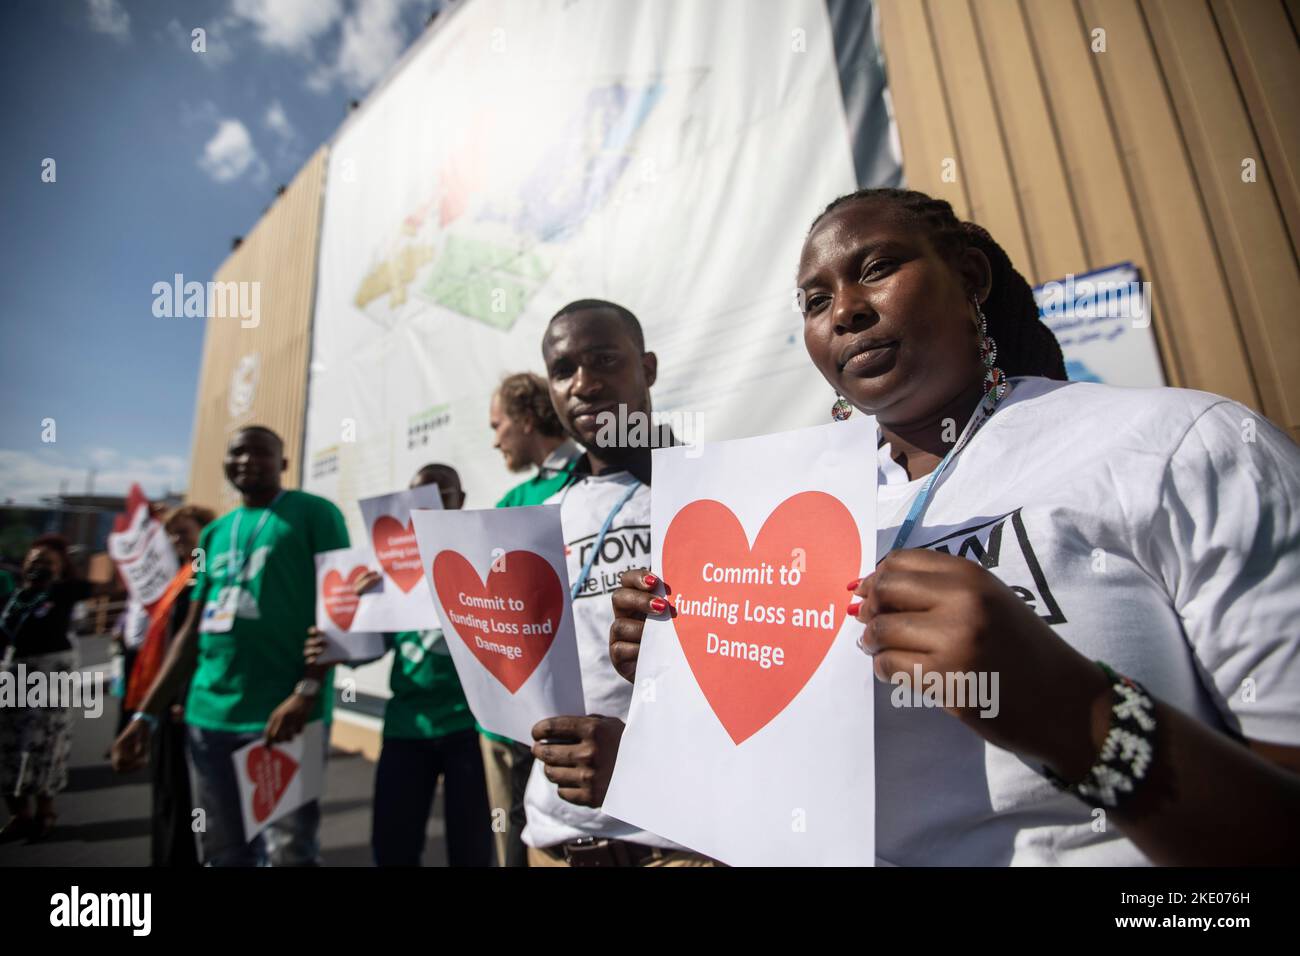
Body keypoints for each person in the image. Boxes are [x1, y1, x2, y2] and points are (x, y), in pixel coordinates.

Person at [608, 186, 1300, 865]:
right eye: (815, 302)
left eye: (876, 269)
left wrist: (1076, 714)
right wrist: (687, 678)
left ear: (969, 276)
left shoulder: (1179, 444)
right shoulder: (809, 518)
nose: (845, 310)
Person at [524, 299, 714, 866]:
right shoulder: (542, 516)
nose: (584, 383)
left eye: (604, 359)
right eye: (563, 371)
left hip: (679, 844)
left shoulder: (718, 491)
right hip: (555, 840)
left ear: (648, 368)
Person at [112, 425, 349, 866]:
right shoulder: (212, 535)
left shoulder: (316, 514)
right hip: (208, 719)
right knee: (221, 850)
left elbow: (337, 613)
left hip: (285, 718)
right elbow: (190, 633)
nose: (246, 460)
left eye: (260, 452)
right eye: (237, 452)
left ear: (282, 463)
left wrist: (307, 692)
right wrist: (146, 712)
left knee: (286, 853)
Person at [304, 463, 493, 867]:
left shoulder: (487, 556)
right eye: (420, 499)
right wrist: (350, 622)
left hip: (471, 727)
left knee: (474, 848)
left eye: (444, 495)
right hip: (408, 725)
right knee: (393, 845)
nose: (433, 505)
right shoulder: (389, 572)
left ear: (461, 502)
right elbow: (369, 649)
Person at [484, 371, 582, 866]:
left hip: (575, 719)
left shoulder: (593, 475)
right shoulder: (508, 501)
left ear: (525, 418)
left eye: (498, 423)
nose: (495, 437)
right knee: (513, 847)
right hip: (509, 723)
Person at [0, 534, 105, 842]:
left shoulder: (63, 591)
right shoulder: (15, 598)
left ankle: (45, 812)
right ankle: (20, 815)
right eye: (34, 561)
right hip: (15, 670)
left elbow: (109, 587)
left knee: (43, 743)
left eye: (48, 562)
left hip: (51, 671)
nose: (39, 566)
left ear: (61, 568)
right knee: (7, 741)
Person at [129, 503, 216, 867]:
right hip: (165, 697)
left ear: (206, 533)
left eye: (185, 531)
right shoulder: (183, 575)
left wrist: (184, 694)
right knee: (167, 788)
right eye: (173, 534)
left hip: (186, 700)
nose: (178, 539)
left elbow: (201, 640)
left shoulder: (207, 575)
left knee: (187, 794)